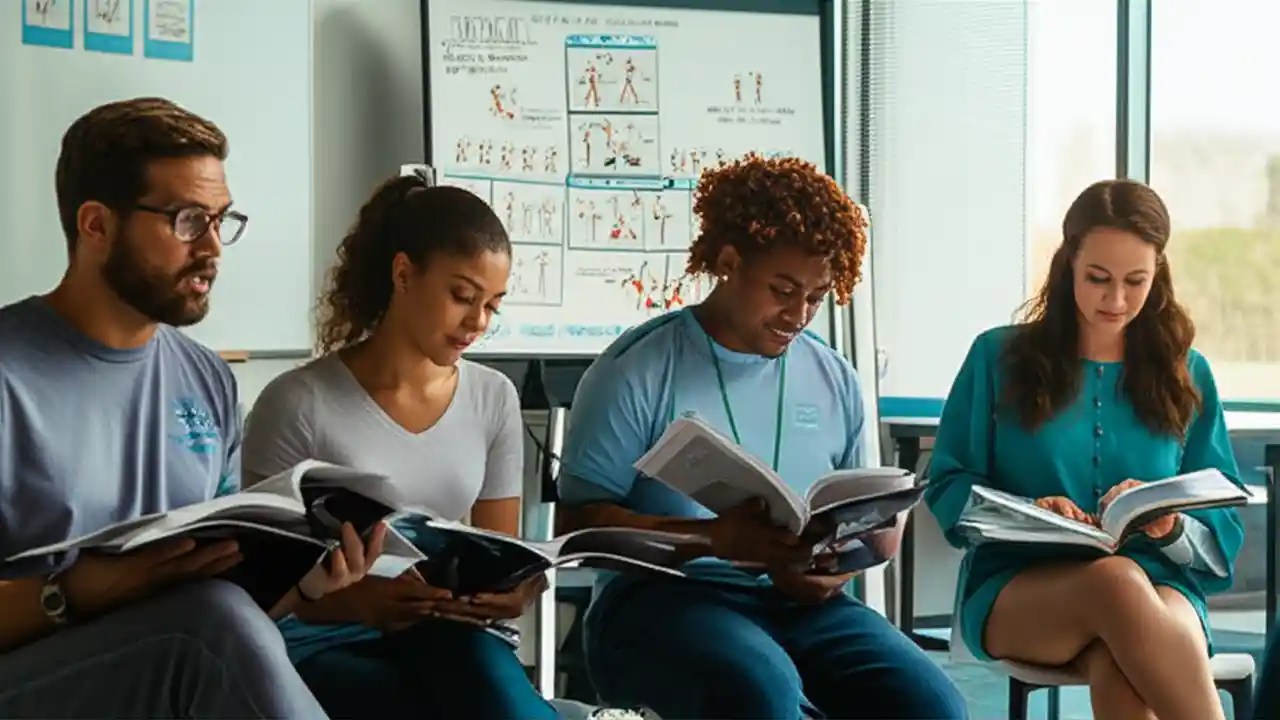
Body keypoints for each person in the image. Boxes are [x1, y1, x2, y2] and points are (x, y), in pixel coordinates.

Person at [0, 97, 383, 718]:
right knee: (206, 624)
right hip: (31, 679)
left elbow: (221, 586)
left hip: (164, 672)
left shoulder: (206, 378)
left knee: (218, 615)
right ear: (96, 225)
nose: (213, 248)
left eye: (221, 220)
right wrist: (72, 593)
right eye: (186, 221)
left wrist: (302, 581)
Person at [556, 153, 968, 720]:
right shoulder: (637, 369)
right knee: (762, 695)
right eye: (782, 289)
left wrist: (841, 563)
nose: (799, 314)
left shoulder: (833, 376)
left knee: (934, 706)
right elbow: (576, 529)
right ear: (728, 262)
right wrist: (713, 539)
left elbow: (874, 521)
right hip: (660, 604)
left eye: (817, 297)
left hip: (799, 602)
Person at [240, 177, 560, 720]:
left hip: (450, 634)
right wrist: (361, 602)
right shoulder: (298, 402)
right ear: (404, 274)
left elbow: (499, 555)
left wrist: (517, 591)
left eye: (492, 305)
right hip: (323, 641)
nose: (477, 323)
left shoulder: (493, 397)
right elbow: (257, 587)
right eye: (462, 296)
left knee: (497, 696)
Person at [925, 179, 1245, 720]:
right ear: (1068, 261)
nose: (1116, 300)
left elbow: (1221, 529)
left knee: (1119, 656)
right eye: (1098, 278)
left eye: (1135, 281)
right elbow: (949, 484)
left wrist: (1173, 529)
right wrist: (1029, 514)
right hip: (1018, 588)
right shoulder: (996, 357)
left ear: (1158, 274)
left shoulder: (1188, 374)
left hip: (1162, 583)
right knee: (1115, 584)